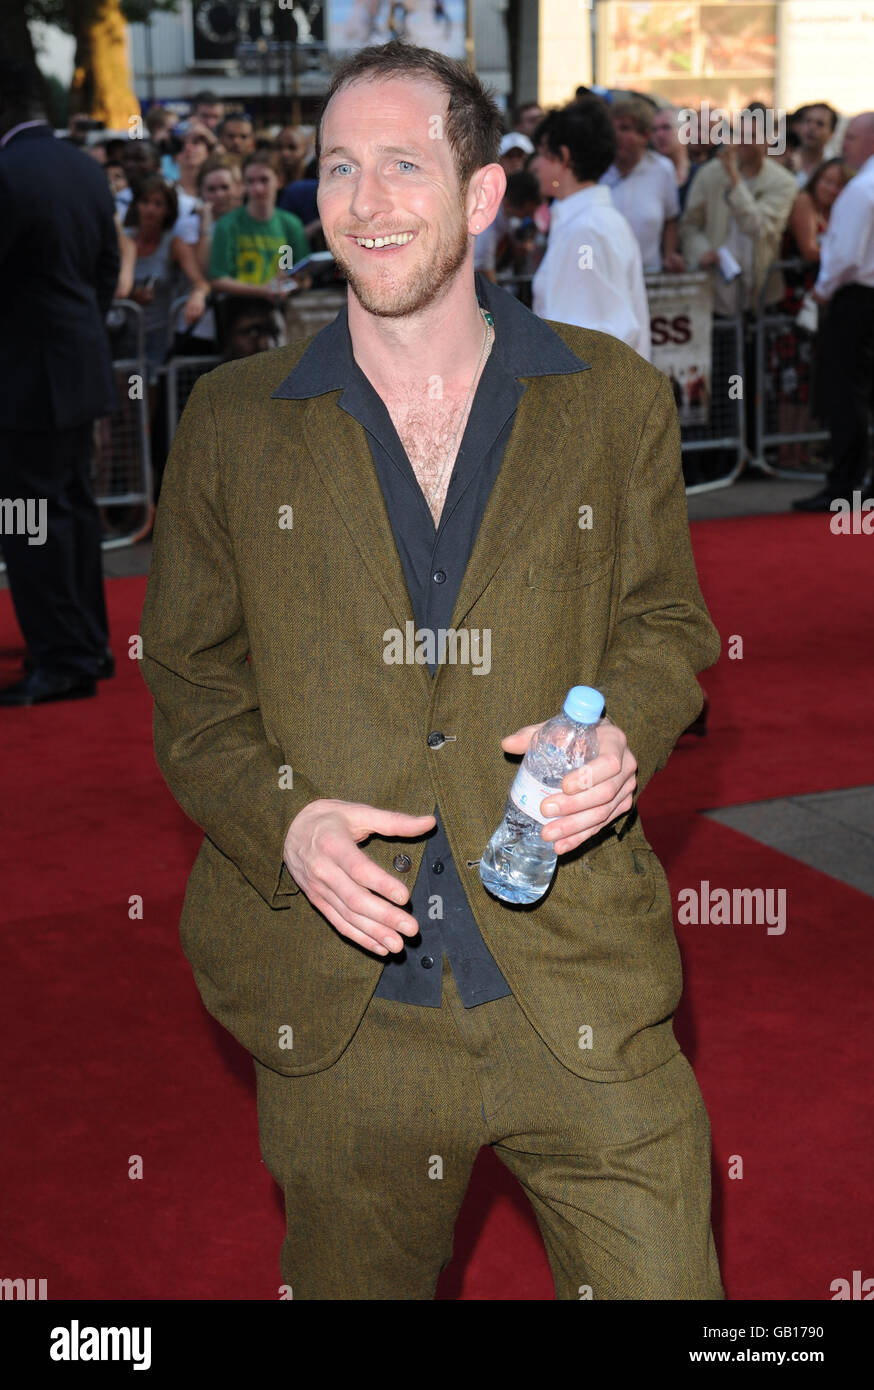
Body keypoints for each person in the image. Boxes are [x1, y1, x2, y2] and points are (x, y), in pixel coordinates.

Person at [140, 39, 724, 1302]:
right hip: (341, 1008)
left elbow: (666, 626)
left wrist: (622, 734)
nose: (363, 200)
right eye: (339, 167)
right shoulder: (236, 423)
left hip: (575, 986)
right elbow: (189, 684)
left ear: (480, 197)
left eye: (403, 163)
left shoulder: (611, 400)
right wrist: (282, 823)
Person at [0, 59, 119, 706]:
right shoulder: (84, 167)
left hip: (24, 381)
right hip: (76, 368)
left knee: (28, 521)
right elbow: (106, 269)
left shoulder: (8, 174)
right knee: (72, 515)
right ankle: (90, 646)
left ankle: (62, 659)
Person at [793, 113, 874, 511]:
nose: (845, 144)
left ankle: (845, 486)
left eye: (853, 136)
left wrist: (822, 293)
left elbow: (844, 256)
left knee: (846, 396)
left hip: (855, 299)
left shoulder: (860, 191)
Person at [530, 98, 651, 360]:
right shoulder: (590, 223)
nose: (536, 165)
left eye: (542, 154)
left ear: (564, 157)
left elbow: (592, 347)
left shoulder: (586, 230)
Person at [680, 106, 798, 317]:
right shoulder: (709, 174)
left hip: (759, 295)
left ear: (769, 139)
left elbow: (757, 226)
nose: (741, 141)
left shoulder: (784, 182)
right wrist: (701, 252)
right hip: (714, 293)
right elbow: (689, 224)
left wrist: (734, 180)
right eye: (738, 134)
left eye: (751, 135)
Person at [208, 150, 309, 302]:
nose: (258, 189)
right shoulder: (228, 225)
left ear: (279, 181)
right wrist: (262, 291)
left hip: (283, 308)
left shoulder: (291, 224)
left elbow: (304, 275)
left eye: (264, 180)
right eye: (251, 181)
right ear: (243, 185)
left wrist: (294, 284)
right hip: (238, 310)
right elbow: (217, 279)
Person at [600, 98, 684, 273]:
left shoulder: (662, 169)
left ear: (645, 135)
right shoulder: (597, 170)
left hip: (649, 274)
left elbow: (670, 219)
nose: (617, 136)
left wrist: (669, 254)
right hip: (605, 274)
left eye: (625, 128)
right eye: (613, 128)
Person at [651, 105, 698, 212]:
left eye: (666, 127)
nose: (659, 135)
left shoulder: (700, 176)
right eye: (654, 130)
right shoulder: (646, 176)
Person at [794, 103, 839, 188]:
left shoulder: (835, 168)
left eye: (820, 124)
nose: (812, 127)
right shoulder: (783, 159)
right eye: (808, 121)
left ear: (831, 133)